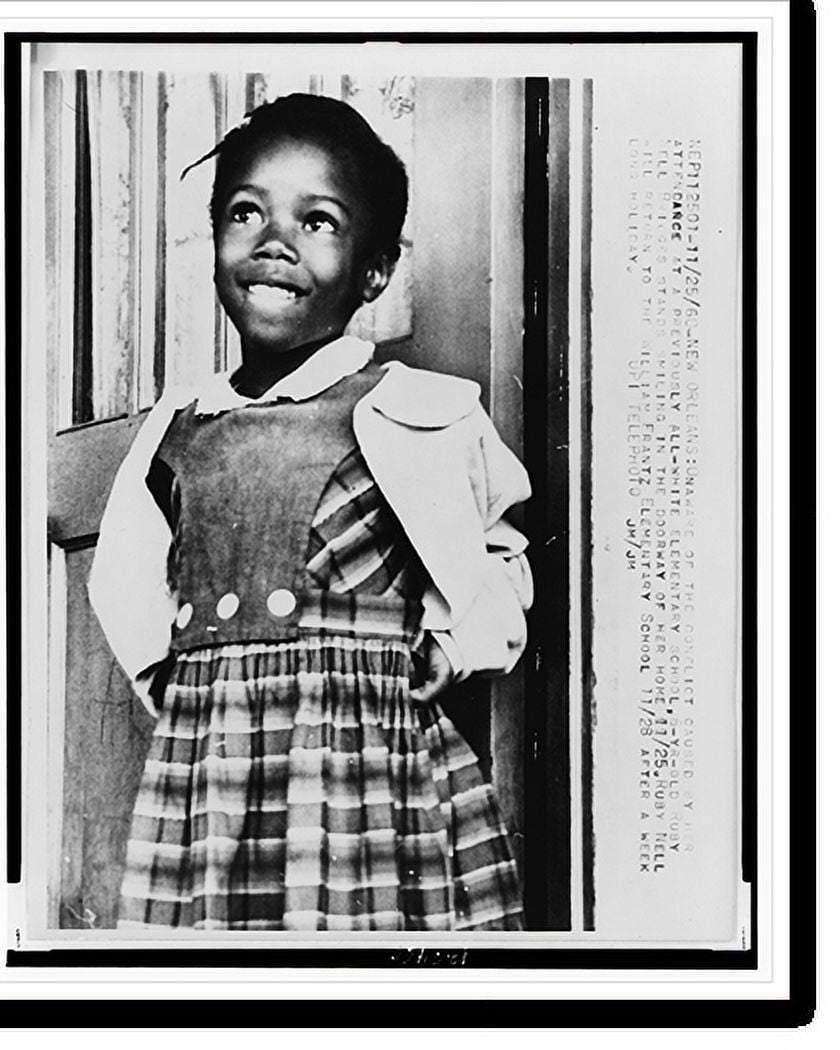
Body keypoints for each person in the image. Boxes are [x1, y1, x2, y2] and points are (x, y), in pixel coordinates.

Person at [89, 93, 533, 932]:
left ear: (375, 268)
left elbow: (498, 547)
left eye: (318, 221)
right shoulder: (182, 425)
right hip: (216, 754)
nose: (274, 243)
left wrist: (456, 643)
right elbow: (125, 576)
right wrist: (182, 687)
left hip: (365, 755)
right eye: (245, 212)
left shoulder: (417, 410)